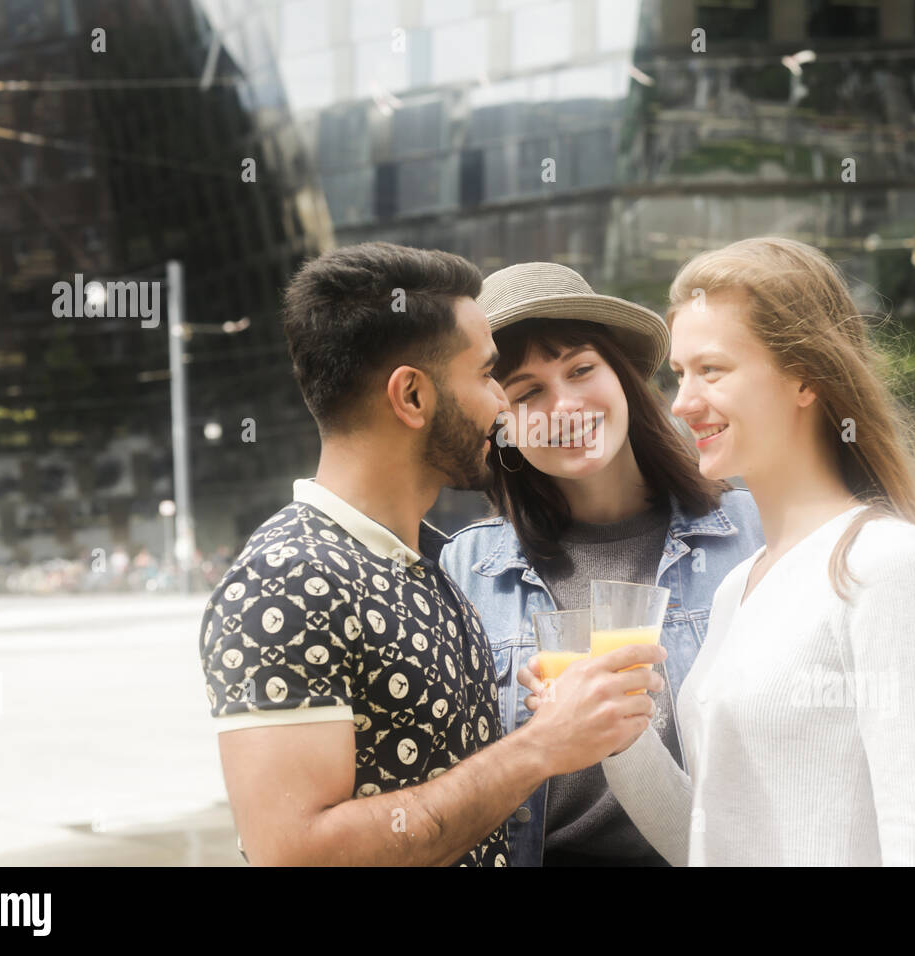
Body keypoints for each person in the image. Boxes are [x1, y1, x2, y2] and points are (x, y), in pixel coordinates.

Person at [198, 242, 664, 866]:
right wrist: (540, 747)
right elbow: (294, 854)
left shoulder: (430, 566)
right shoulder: (285, 577)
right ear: (412, 396)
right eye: (487, 376)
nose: (502, 405)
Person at [521, 237, 915, 865]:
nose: (682, 402)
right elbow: (709, 841)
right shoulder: (741, 584)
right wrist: (618, 736)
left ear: (805, 376)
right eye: (680, 374)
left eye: (712, 370)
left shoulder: (884, 563)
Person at [438, 262, 764, 866]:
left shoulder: (753, 531)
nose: (564, 406)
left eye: (581, 369)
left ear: (622, 376)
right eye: (527, 392)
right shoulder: (469, 567)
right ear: (500, 421)